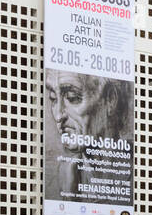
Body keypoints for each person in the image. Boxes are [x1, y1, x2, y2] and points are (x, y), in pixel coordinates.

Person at [44, 70, 133, 202]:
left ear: (110, 100)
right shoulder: (66, 173)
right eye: (53, 98)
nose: (58, 116)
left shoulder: (140, 170)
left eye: (72, 97)